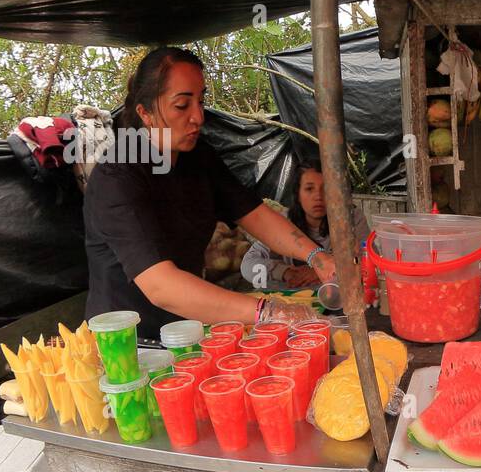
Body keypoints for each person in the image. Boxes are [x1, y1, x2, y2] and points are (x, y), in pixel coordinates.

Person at [83, 47, 335, 338]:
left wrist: (317, 256)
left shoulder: (197, 157)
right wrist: (266, 312)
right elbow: (160, 286)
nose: (198, 117)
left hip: (185, 327)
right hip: (129, 342)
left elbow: (254, 215)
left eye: (201, 102)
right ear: (146, 112)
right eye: (182, 106)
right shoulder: (119, 175)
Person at [241, 163, 330, 290]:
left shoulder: (351, 220)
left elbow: (363, 263)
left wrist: (325, 269)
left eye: (326, 189)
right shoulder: (283, 223)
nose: (318, 197)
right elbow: (247, 265)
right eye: (309, 189)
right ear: (297, 194)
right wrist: (284, 272)